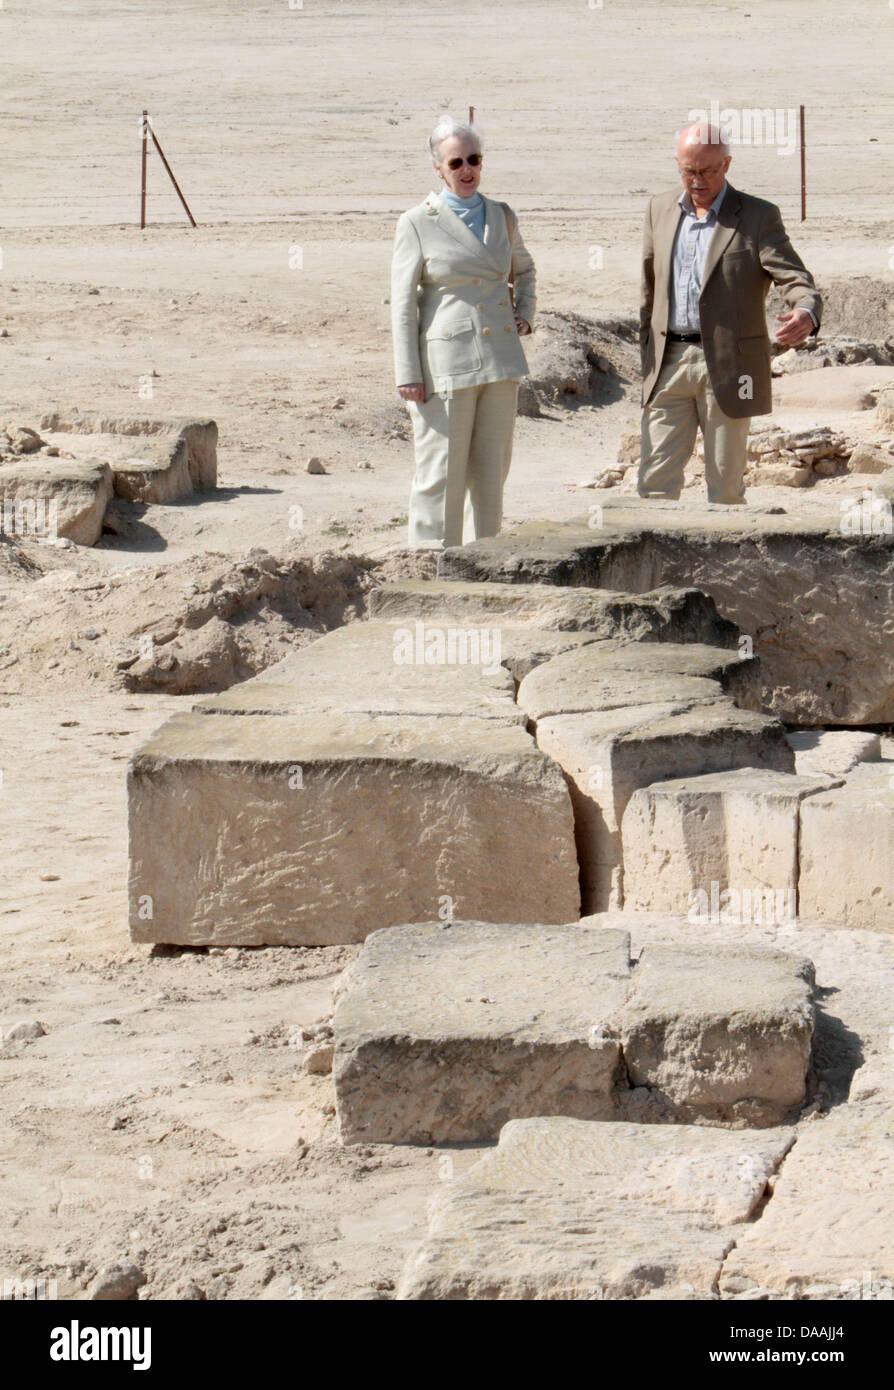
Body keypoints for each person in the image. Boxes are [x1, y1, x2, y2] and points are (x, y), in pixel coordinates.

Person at [638, 121, 822, 504]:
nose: (697, 179)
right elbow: (648, 290)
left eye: (707, 170)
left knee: (725, 487)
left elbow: (793, 275)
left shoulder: (757, 216)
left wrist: (805, 310)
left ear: (727, 164)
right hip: (668, 362)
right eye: (689, 170)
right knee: (654, 484)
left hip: (729, 365)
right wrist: (648, 360)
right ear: (678, 164)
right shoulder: (659, 209)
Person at [391, 117, 536, 548]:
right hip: (445, 365)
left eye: (474, 159)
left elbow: (524, 268)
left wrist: (524, 313)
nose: (467, 170)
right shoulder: (417, 221)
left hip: (500, 360)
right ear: (438, 167)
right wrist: (408, 372)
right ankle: (430, 572)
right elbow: (402, 303)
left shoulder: (502, 215)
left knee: (491, 475)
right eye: (456, 162)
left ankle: (481, 568)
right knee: (441, 476)